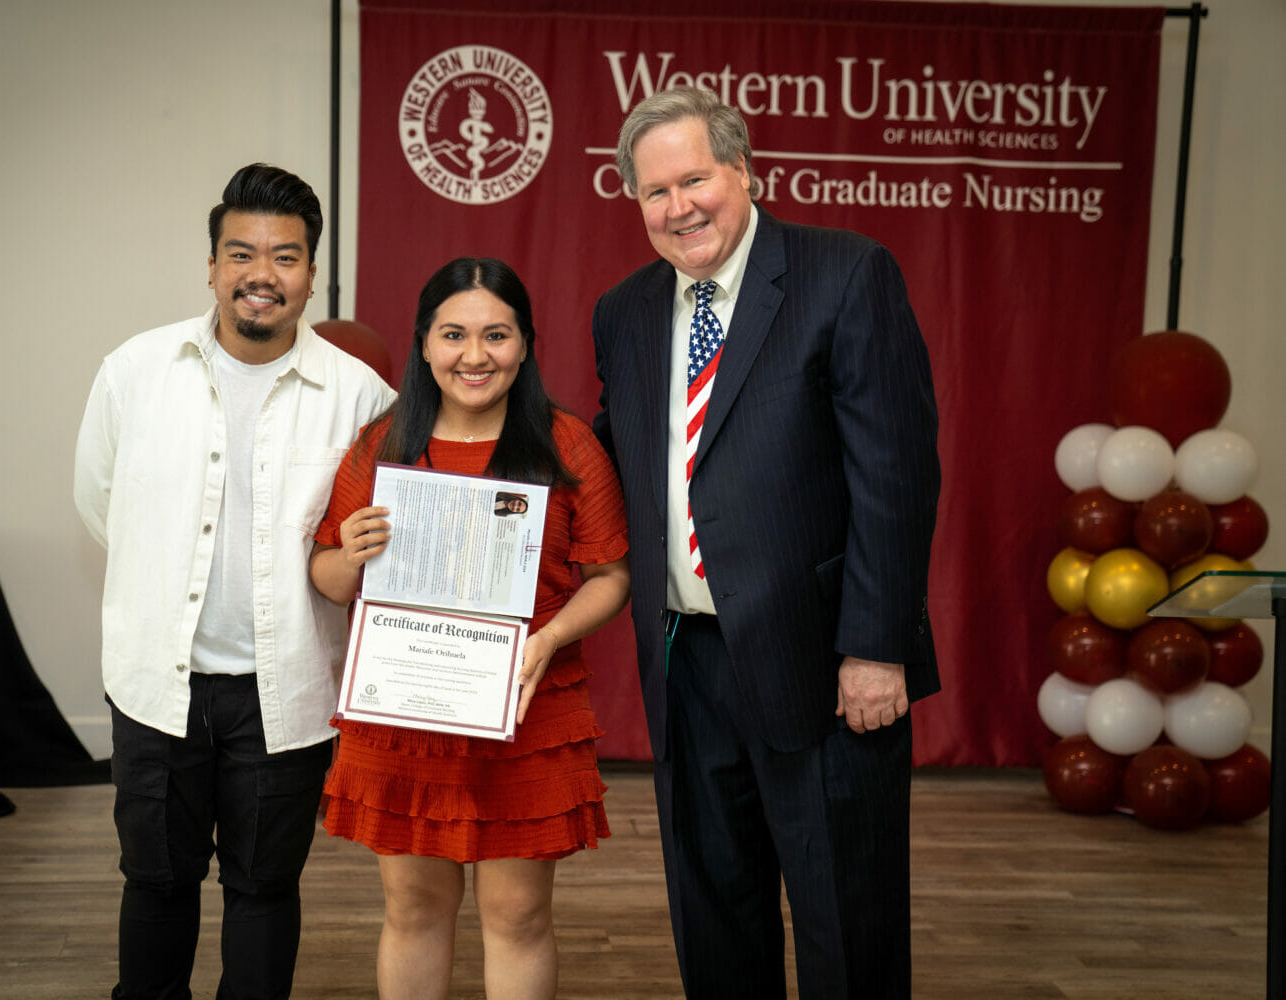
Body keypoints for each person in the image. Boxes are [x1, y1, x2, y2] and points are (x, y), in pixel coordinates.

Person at [591, 87, 941, 999]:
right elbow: (605, 464)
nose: (680, 208)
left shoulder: (845, 273)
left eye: (695, 179)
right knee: (715, 919)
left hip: (825, 663)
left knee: (846, 925)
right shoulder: (625, 312)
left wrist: (875, 648)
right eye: (655, 192)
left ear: (744, 171)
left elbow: (896, 479)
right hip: (687, 663)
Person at [73, 163, 395, 999]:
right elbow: (101, 501)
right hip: (157, 686)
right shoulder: (136, 371)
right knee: (155, 882)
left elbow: (372, 541)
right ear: (212, 265)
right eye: (241, 253)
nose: (262, 275)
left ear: (311, 275)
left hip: (282, 693)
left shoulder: (360, 397)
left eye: (285, 257)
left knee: (262, 888)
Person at [310, 257, 630, 1000]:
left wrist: (548, 640)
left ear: (526, 344)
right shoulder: (381, 446)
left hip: (526, 711)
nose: (475, 356)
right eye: (454, 335)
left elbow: (611, 578)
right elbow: (327, 579)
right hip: (406, 715)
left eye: (497, 335)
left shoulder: (568, 445)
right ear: (424, 344)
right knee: (413, 908)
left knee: (518, 915)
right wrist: (349, 556)